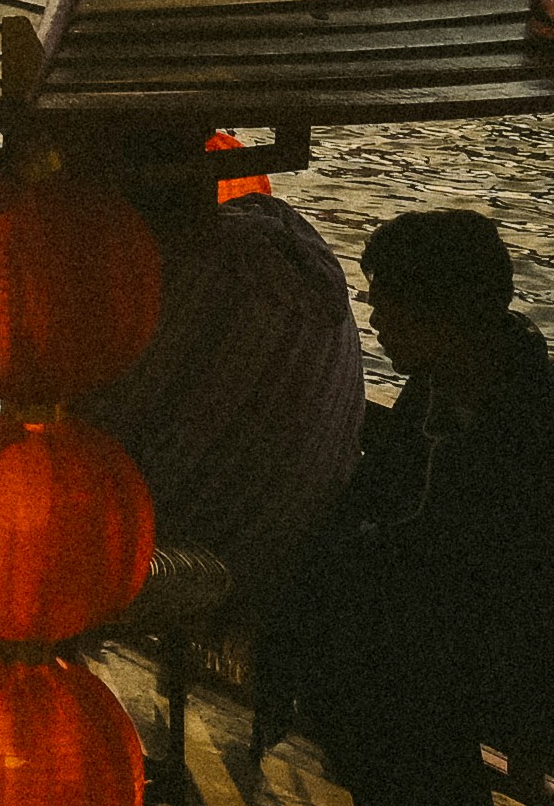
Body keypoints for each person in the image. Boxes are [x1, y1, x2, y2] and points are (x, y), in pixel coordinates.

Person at [255, 209, 554, 806]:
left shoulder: (544, 423)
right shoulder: (440, 389)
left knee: (400, 661)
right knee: (325, 610)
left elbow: (513, 582)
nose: (375, 323)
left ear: (439, 312)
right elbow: (377, 501)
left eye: (387, 305)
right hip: (486, 638)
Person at [75, 169, 366, 593]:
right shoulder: (293, 249)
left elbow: (103, 437)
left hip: (208, 553)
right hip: (299, 536)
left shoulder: (200, 277)